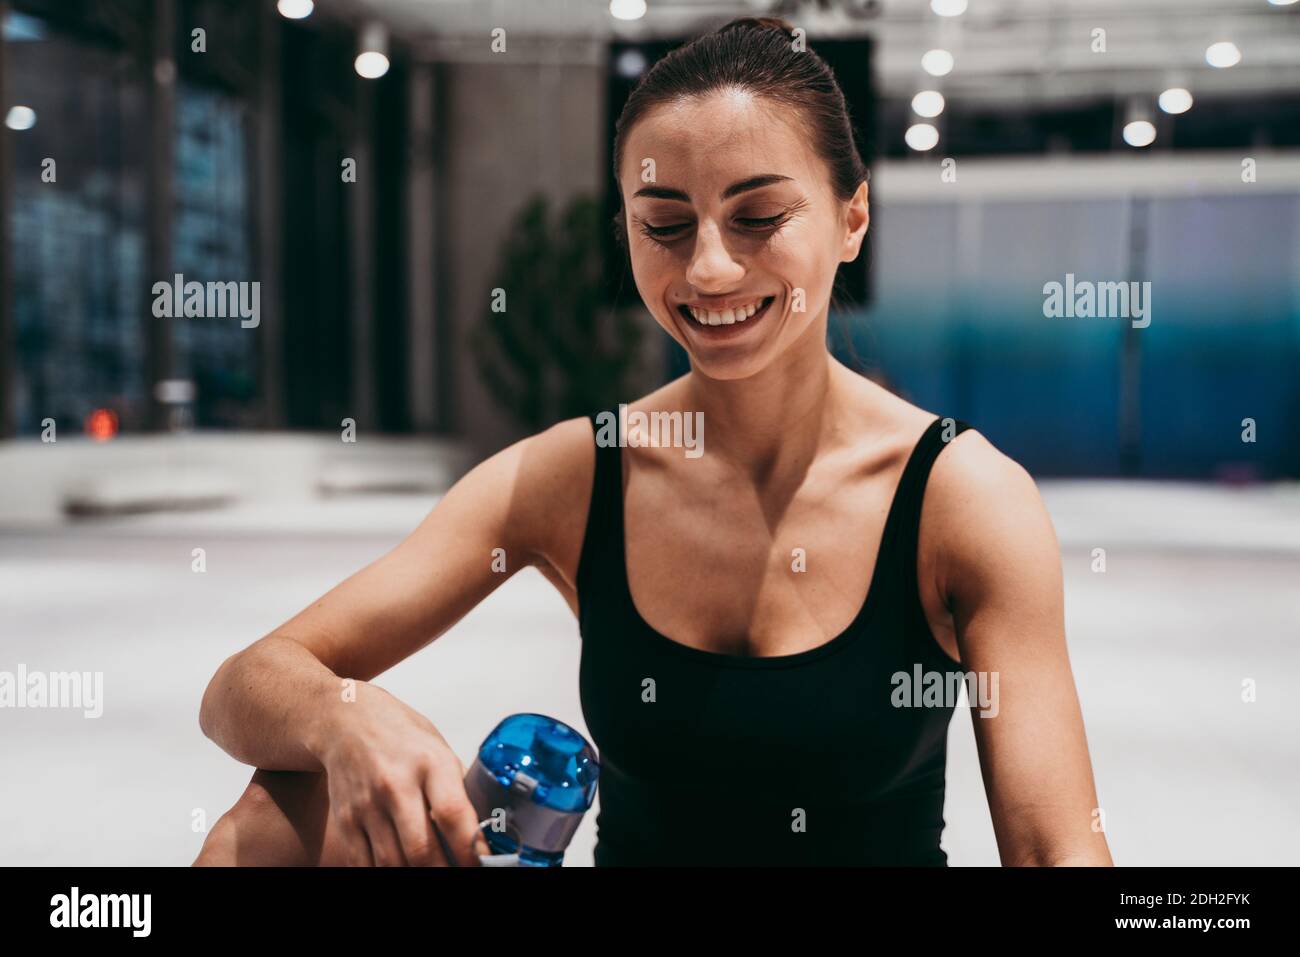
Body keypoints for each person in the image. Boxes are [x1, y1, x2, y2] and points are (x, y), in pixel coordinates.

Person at [195, 16, 1112, 867]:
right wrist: (345, 713)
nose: (709, 267)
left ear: (852, 221)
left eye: (759, 217)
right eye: (665, 225)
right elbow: (244, 684)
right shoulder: (575, 474)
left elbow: (1057, 850)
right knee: (269, 825)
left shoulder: (961, 496)